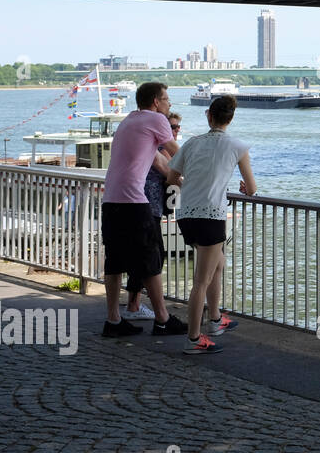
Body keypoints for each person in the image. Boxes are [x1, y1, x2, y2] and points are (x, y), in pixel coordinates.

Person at [167, 95, 256, 354]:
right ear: (231, 117)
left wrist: (195, 185)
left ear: (209, 115)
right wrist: (240, 187)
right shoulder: (237, 146)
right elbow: (251, 188)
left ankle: (215, 320)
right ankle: (194, 339)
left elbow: (172, 179)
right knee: (201, 281)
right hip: (211, 216)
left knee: (218, 264)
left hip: (186, 214)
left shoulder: (192, 143)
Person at [100, 82, 186, 337]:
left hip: (111, 199)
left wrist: (181, 180)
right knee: (150, 259)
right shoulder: (157, 119)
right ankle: (162, 319)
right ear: (156, 102)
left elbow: (160, 161)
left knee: (114, 261)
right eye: (167, 99)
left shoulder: (129, 120)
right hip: (133, 201)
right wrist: (201, 176)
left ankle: (113, 321)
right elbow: (178, 155)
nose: (169, 104)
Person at [124, 110, 182, 321]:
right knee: (151, 256)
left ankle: (135, 304)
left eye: (177, 127)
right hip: (146, 207)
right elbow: (169, 172)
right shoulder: (156, 149)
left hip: (152, 207)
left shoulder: (159, 148)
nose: (176, 130)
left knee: (148, 255)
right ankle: (137, 307)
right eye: (172, 127)